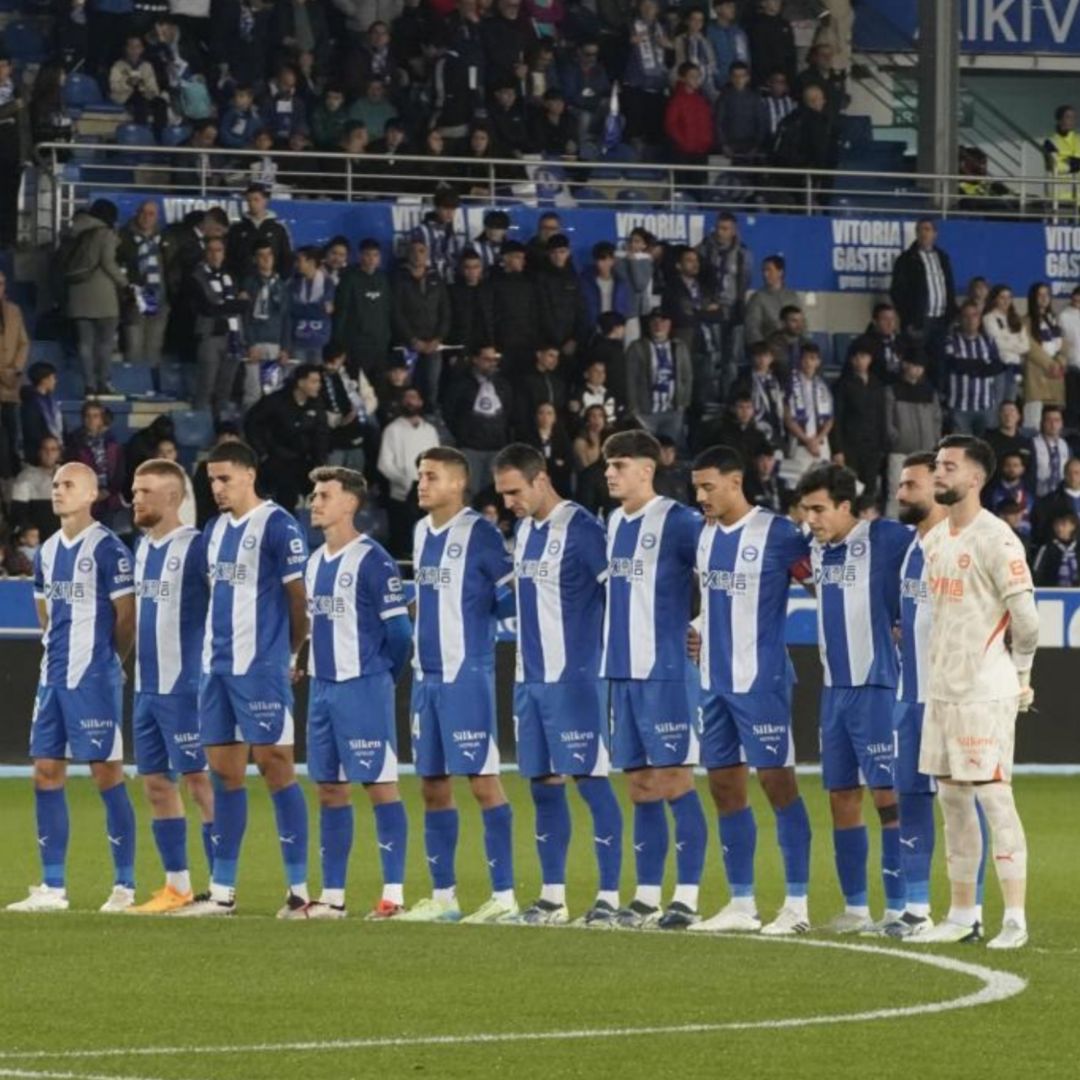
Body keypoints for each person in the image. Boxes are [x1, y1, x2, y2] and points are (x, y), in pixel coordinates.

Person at [175, 441, 310, 919]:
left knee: (276, 767)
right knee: (225, 774)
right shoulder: (213, 530)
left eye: (225, 478)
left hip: (261, 667)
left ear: (250, 475)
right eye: (211, 480)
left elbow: (299, 600)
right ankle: (222, 892)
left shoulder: (278, 525)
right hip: (216, 669)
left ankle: (299, 892)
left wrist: (288, 653)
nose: (216, 488)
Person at [492, 444, 624, 926]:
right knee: (543, 787)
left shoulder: (583, 529)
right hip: (529, 680)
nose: (508, 503)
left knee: (591, 782)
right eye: (503, 495)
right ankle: (552, 898)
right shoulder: (526, 530)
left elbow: (618, 596)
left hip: (575, 680)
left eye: (514, 492)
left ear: (541, 479)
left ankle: (609, 897)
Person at [686, 445, 814, 937]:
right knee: (723, 787)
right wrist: (699, 628)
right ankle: (741, 902)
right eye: (697, 488)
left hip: (761, 682)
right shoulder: (705, 535)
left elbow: (821, 586)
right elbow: (712, 600)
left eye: (708, 487)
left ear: (735, 482)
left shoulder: (779, 534)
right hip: (713, 682)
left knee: (778, 785)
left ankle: (797, 905)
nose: (701, 497)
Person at [917, 436, 1038, 950]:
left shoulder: (997, 539)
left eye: (948, 466)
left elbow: (1028, 621)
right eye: (936, 466)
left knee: (993, 797)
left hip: (984, 691)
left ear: (975, 478)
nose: (938, 474)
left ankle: (1014, 919)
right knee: (952, 801)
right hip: (943, 690)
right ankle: (963, 915)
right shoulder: (934, 540)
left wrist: (1022, 675)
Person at [6, 463, 137, 914]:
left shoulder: (109, 549)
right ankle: (52, 887)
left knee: (106, 774)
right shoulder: (46, 551)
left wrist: (108, 661)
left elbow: (126, 617)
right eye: (57, 484)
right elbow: (44, 611)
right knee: (45, 771)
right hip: (53, 678)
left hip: (93, 677)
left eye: (68, 485)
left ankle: (124, 885)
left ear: (91, 494)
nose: (58, 491)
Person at [397, 447, 518, 924]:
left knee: (483, 783)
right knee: (432, 785)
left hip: (465, 675)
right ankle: (444, 898)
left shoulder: (481, 533)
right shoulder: (420, 530)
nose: (422, 484)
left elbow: (513, 595)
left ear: (457, 483)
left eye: (431, 476)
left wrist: (481, 617)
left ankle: (504, 897)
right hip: (425, 677)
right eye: (420, 475)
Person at [797, 463, 911, 933]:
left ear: (847, 507)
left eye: (819, 509)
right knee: (841, 796)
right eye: (805, 510)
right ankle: (857, 909)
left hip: (877, 687)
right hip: (834, 692)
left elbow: (935, 545)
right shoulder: (813, 549)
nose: (810, 519)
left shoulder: (884, 538)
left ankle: (902, 908)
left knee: (888, 797)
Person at [600, 428, 707, 930]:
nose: (609, 473)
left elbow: (717, 570)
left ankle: (686, 897)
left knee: (674, 781)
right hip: (622, 671)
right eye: (607, 465)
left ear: (647, 469)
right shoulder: (613, 522)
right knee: (640, 785)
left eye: (619, 465)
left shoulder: (680, 521)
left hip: (665, 671)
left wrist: (703, 627)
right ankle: (645, 896)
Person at [303, 467, 413, 920]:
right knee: (330, 789)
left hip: (363, 686)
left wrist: (381, 677)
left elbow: (400, 633)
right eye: (314, 495)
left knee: (380, 786)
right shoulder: (314, 561)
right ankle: (333, 897)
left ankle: (393, 895)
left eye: (324, 495)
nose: (314, 502)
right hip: (322, 689)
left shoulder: (373, 560)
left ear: (350, 503)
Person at [887, 452, 989, 939]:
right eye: (900, 484)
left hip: (955, 700)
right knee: (910, 800)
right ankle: (916, 908)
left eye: (911, 485)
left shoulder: (967, 544)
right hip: (910, 697)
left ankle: (970, 913)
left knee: (963, 804)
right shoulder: (912, 548)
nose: (901, 493)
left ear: (939, 487)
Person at [125, 459, 214, 914]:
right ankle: (176, 887)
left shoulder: (198, 547)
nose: (135, 499)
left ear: (173, 497)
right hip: (147, 688)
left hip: (185, 686)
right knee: (157, 784)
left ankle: (221, 890)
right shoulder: (141, 548)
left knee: (200, 782)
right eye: (134, 491)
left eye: (145, 492)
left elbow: (224, 609)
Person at [62, 199, 127, 397]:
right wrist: (125, 283)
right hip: (103, 295)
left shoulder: (72, 231)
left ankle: (88, 385)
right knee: (105, 343)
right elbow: (108, 263)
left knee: (85, 343)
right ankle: (103, 383)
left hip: (77, 294)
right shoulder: (105, 233)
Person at [244, 364, 329, 512]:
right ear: (301, 382)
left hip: (304, 460)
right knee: (287, 490)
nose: (319, 385)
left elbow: (321, 436)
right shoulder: (276, 401)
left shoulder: (317, 405)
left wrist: (320, 463)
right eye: (314, 381)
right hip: (276, 459)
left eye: (319, 381)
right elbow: (252, 422)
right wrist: (262, 452)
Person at [377, 386, 441, 558]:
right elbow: (384, 464)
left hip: (427, 492)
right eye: (407, 398)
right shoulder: (392, 429)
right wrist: (404, 481)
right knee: (402, 541)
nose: (410, 402)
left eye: (414, 397)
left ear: (421, 402)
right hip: (402, 494)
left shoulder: (430, 430)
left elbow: (438, 460)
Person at [189, 235, 248, 418]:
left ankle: (222, 428)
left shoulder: (231, 276)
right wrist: (235, 305)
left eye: (219, 250)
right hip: (210, 336)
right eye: (211, 250)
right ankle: (199, 427)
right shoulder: (196, 277)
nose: (215, 255)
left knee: (225, 389)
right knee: (206, 387)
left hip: (234, 337)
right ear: (205, 253)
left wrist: (227, 305)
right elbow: (207, 308)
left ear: (224, 253)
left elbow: (244, 305)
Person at [443, 345, 514, 494]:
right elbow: (449, 412)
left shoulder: (503, 385)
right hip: (470, 449)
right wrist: (462, 435)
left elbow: (508, 412)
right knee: (469, 493)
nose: (492, 363)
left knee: (492, 494)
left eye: (494, 360)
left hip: (496, 448)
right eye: (487, 359)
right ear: (475, 360)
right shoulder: (461, 384)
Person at [391, 239, 451, 410]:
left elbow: (445, 311)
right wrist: (412, 339)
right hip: (408, 344)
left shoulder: (436, 278)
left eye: (422, 251)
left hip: (433, 344)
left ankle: (431, 417)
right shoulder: (398, 279)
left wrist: (438, 338)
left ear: (427, 254)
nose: (418, 255)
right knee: (407, 387)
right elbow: (396, 313)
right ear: (408, 254)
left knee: (432, 386)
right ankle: (407, 418)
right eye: (414, 251)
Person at [884, 354, 942, 518]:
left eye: (920, 366)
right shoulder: (892, 390)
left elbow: (937, 419)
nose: (917, 370)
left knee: (925, 493)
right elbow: (887, 419)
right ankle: (892, 527)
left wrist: (935, 441)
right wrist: (895, 439)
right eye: (914, 365)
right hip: (900, 450)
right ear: (905, 365)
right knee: (896, 492)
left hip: (925, 452)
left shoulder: (930, 392)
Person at [890, 219, 956, 360]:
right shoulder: (906, 259)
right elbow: (897, 291)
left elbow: (949, 287)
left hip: (941, 320)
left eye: (927, 229)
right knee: (916, 362)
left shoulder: (943, 258)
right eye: (920, 230)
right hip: (918, 321)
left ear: (935, 234)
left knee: (939, 363)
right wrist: (909, 318)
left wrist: (951, 314)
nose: (923, 233)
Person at [624, 309, 692, 445]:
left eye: (663, 322)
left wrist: (683, 403)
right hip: (646, 412)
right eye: (654, 322)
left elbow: (687, 376)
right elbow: (630, 379)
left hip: (672, 410)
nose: (658, 326)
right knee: (647, 449)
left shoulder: (679, 347)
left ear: (669, 324)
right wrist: (634, 409)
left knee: (669, 449)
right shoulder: (637, 347)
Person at [116, 201, 169, 374]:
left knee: (154, 347)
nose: (147, 217)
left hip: (159, 298)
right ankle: (134, 382)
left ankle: (151, 384)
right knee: (134, 347)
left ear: (157, 217)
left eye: (151, 214)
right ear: (137, 213)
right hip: (135, 297)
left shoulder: (164, 238)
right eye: (144, 213)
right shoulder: (123, 237)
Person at [832, 344, 887, 505]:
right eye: (856, 357)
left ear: (870, 359)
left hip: (873, 447)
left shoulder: (877, 384)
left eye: (863, 357)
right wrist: (837, 449)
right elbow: (837, 418)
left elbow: (882, 416)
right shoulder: (842, 384)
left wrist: (882, 445)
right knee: (851, 489)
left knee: (870, 490)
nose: (860, 361)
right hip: (850, 446)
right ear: (851, 360)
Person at [333, 238, 392, 381]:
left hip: (380, 344)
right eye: (367, 255)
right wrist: (339, 341)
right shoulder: (349, 279)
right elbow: (342, 311)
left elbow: (387, 310)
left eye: (375, 255)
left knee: (379, 385)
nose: (371, 259)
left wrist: (387, 337)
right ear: (360, 256)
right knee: (358, 384)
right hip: (357, 344)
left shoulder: (383, 279)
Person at [241, 242, 292, 407]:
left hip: (275, 343)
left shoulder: (281, 285)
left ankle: (271, 423)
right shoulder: (249, 283)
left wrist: (285, 347)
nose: (266, 259)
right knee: (253, 392)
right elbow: (244, 317)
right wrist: (250, 343)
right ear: (255, 259)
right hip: (255, 343)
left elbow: (286, 318)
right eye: (261, 256)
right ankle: (250, 422)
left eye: (269, 255)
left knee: (274, 392)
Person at [942, 300, 1003, 436]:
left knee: (986, 446)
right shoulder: (951, 340)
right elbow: (954, 364)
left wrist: (968, 366)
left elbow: (996, 367)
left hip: (986, 405)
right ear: (960, 319)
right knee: (962, 446)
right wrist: (982, 366)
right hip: (959, 406)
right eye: (966, 316)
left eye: (974, 315)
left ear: (979, 319)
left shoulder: (989, 340)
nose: (970, 320)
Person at [65, 401, 126, 531]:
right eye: (88, 416)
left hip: (108, 499)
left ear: (102, 419)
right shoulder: (74, 441)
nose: (91, 420)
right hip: (83, 500)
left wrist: (108, 491)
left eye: (95, 416)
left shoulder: (112, 441)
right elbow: (71, 469)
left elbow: (119, 471)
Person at [784, 343, 833, 474]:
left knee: (823, 482)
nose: (808, 362)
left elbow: (830, 419)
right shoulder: (791, 384)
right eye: (805, 358)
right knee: (799, 481)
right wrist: (807, 441)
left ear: (818, 362)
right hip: (799, 443)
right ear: (800, 360)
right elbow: (788, 418)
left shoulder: (823, 385)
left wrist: (817, 440)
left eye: (812, 358)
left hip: (821, 444)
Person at [1023, 281, 1066, 431]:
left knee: (1053, 422)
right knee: (1033, 422)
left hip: (1055, 377)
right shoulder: (1026, 321)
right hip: (1037, 376)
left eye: (1047, 294)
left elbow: (1064, 345)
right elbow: (1030, 347)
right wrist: (1050, 364)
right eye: (1040, 295)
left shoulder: (1054, 320)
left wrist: (1060, 362)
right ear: (1033, 298)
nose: (1044, 298)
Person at [227, 184, 293, 281]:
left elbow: (286, 258)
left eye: (256, 199)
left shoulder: (278, 229)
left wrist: (279, 281)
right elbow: (230, 258)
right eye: (249, 200)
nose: (252, 204)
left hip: (272, 283)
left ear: (265, 201)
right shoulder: (237, 229)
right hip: (243, 284)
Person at [0, 267, 29, 477]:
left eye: (1, 284)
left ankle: (12, 478)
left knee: (12, 436)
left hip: (11, 384)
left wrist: (16, 368)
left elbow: (23, 343)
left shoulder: (14, 310)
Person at [982, 285, 1029, 405]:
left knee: (1010, 402)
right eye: (1002, 297)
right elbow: (996, 343)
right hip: (998, 367)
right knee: (997, 402)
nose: (1006, 301)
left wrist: (1007, 340)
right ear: (995, 299)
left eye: (1009, 297)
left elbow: (1026, 346)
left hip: (1014, 366)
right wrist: (1015, 342)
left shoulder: (1016, 319)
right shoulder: (989, 318)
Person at [289, 245, 336, 364]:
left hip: (320, 341)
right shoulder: (294, 284)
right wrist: (316, 307)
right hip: (298, 341)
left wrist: (302, 308)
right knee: (298, 374)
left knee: (317, 373)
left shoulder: (327, 284)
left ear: (311, 262)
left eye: (299, 260)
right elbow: (291, 310)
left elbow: (326, 311)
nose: (296, 264)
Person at [10, 436, 62, 540]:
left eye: (53, 449)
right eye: (45, 449)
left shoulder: (67, 474)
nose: (49, 453)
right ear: (39, 452)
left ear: (59, 453)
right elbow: (18, 512)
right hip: (37, 539)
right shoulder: (26, 477)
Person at [744, 255, 799, 348]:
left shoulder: (792, 297)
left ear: (780, 272)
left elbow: (801, 324)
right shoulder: (757, 298)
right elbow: (752, 328)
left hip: (790, 348)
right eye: (763, 271)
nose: (765, 274)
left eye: (769, 270)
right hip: (767, 348)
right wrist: (762, 349)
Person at [21, 363, 64, 465]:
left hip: (55, 453)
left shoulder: (51, 402)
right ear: (44, 380)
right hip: (38, 457)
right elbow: (33, 432)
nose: (55, 381)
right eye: (53, 378)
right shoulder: (30, 403)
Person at [1031, 456, 1080, 547]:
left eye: (1077, 473)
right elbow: (1042, 528)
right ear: (1064, 474)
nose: (1073, 477)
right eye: (1069, 473)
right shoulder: (1050, 501)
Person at [1032, 404, 1075, 498]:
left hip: (1062, 496)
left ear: (1062, 423)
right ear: (1042, 423)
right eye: (1049, 420)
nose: (1053, 424)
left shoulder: (1066, 446)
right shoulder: (1032, 444)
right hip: (1038, 496)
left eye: (1057, 420)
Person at [1033, 510, 1080, 586]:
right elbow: (1037, 573)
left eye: (1063, 524)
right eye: (1056, 524)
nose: (1059, 528)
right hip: (1052, 591)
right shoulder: (1047, 549)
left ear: (1073, 526)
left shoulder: (1077, 547)